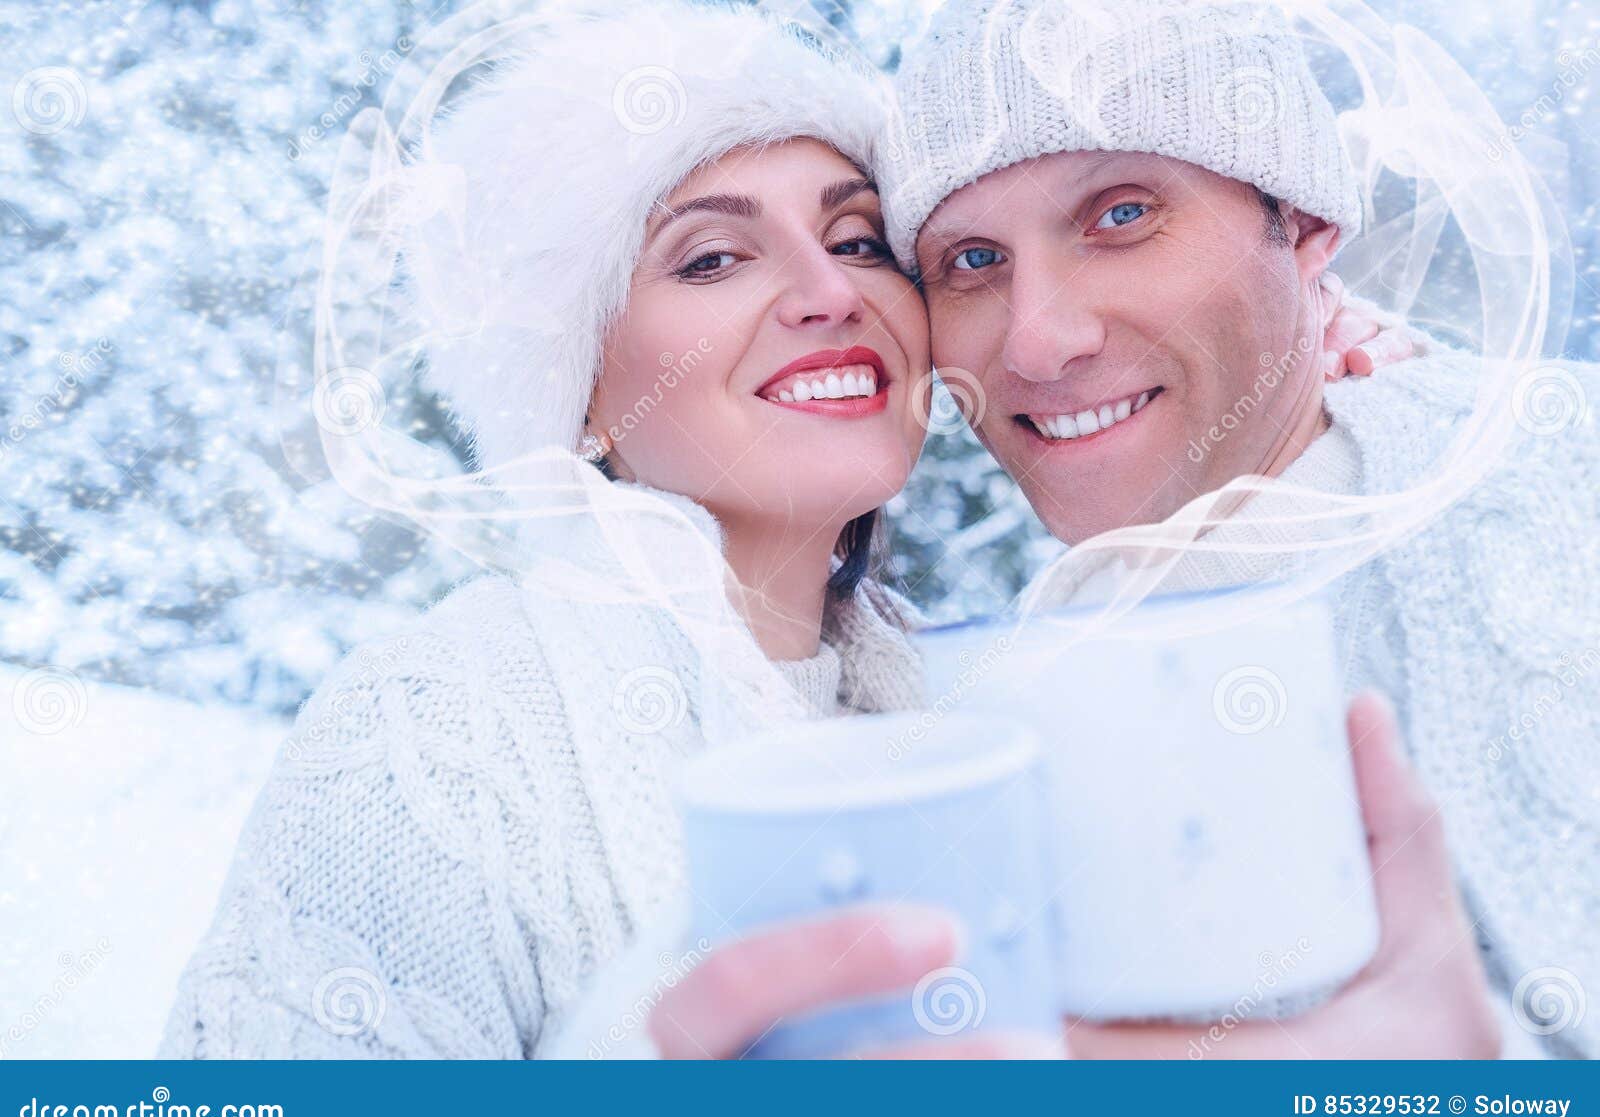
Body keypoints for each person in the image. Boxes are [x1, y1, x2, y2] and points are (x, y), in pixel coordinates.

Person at [159, 0, 1417, 1060]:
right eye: (711, 261)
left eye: (861, 240)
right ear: (577, 390)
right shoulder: (435, 733)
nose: (828, 295)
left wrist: (1318, 398)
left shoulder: (958, 700)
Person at [879, 0, 1596, 1057]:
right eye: (972, 262)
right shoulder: (1011, 691)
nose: (1038, 340)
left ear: (1305, 225)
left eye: (1121, 215)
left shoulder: (1554, 490)